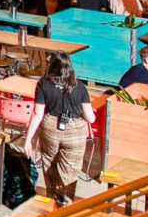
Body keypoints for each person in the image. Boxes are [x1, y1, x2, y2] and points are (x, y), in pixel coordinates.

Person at [25, 53, 96, 206]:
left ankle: (52, 200)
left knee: (50, 165)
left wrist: (28, 140)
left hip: (50, 126)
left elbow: (38, 114)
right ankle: (65, 203)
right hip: (75, 130)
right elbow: (90, 118)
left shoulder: (43, 84)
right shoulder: (80, 87)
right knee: (70, 171)